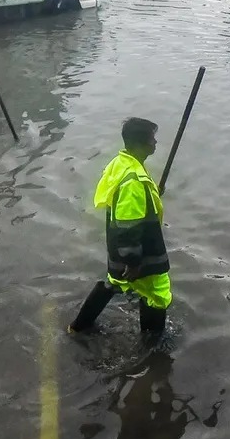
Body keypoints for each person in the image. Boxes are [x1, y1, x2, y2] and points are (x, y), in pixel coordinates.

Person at [68, 117, 170, 341]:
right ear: (140, 144)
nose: (155, 143)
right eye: (152, 139)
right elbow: (128, 225)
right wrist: (133, 261)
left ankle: (79, 326)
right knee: (159, 293)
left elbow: (125, 208)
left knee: (115, 282)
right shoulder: (134, 181)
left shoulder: (121, 163)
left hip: (119, 249)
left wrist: (151, 193)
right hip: (141, 253)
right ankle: (152, 345)